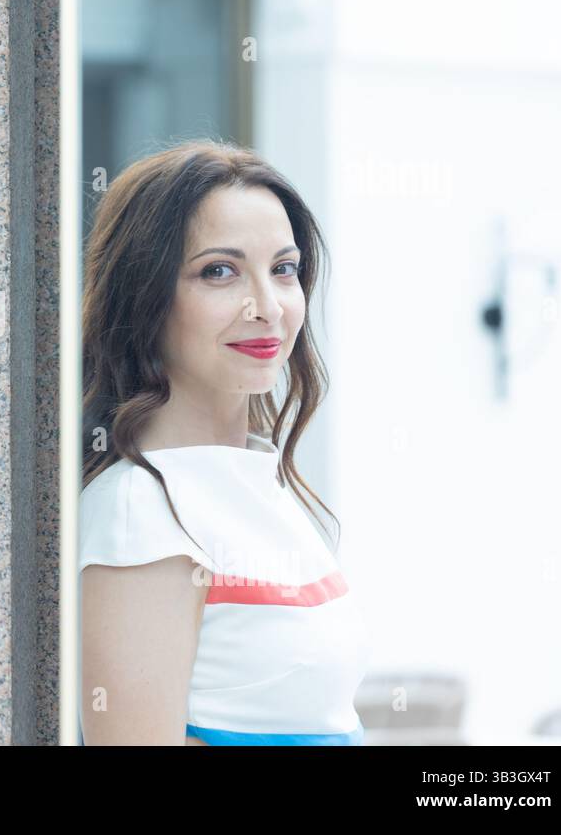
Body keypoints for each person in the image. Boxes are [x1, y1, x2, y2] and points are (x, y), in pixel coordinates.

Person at [78, 141, 370, 745]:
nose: (266, 306)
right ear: (147, 299)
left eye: (283, 269)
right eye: (220, 271)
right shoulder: (143, 511)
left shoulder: (262, 484)